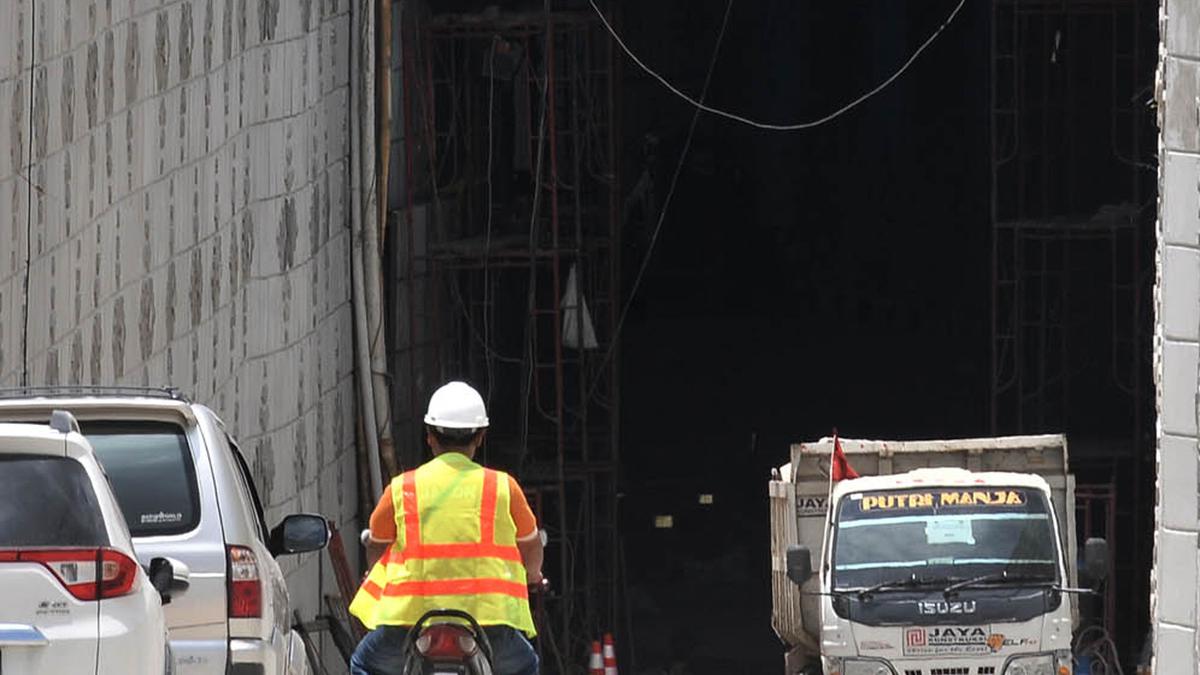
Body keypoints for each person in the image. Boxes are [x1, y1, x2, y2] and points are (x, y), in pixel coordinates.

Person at [349, 381, 544, 675]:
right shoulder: (503, 488)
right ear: (480, 437)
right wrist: (532, 574)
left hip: (410, 626)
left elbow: (376, 544)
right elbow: (530, 545)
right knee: (527, 666)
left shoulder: (403, 488)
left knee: (363, 664)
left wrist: (378, 570)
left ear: (429, 437)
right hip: (490, 627)